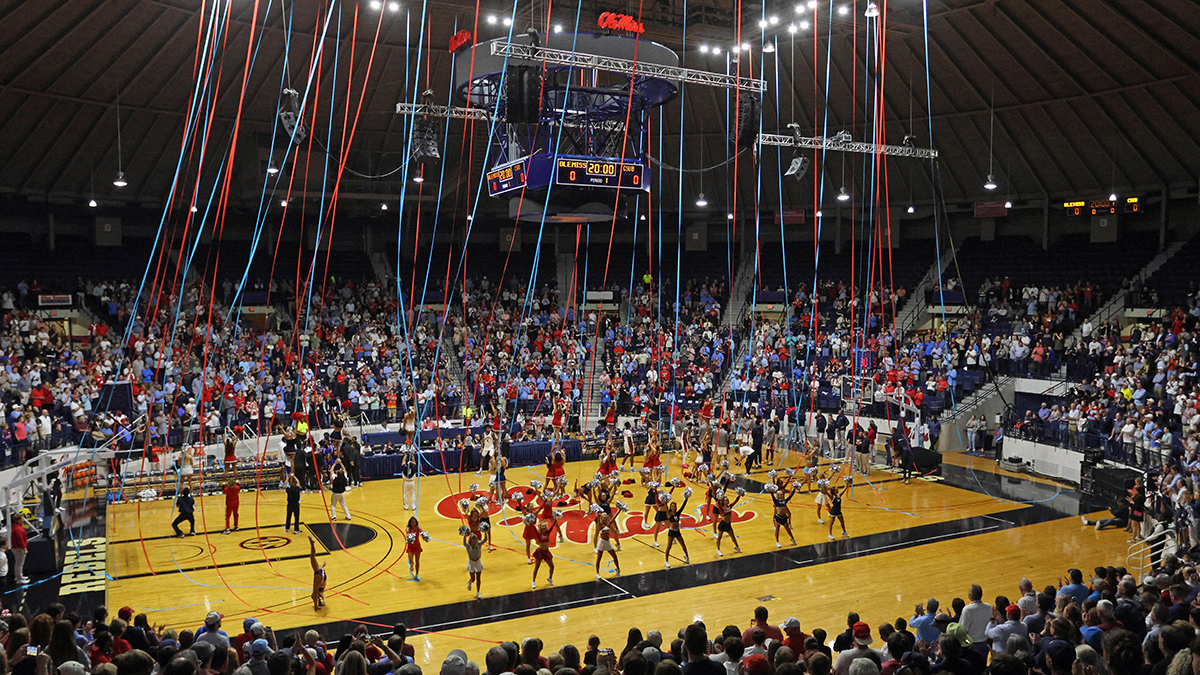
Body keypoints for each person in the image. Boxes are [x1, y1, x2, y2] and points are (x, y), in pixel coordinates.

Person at [531, 515, 563, 589]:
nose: (545, 527)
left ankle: (550, 578)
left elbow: (552, 526)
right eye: (543, 526)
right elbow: (533, 528)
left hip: (546, 552)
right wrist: (530, 522)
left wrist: (556, 519)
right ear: (540, 527)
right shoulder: (539, 534)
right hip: (540, 552)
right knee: (537, 567)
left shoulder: (547, 533)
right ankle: (533, 581)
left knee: (552, 566)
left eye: (545, 526)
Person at [663, 489, 691, 568]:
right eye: (672, 506)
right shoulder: (669, 513)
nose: (673, 507)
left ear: (676, 507)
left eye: (674, 506)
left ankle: (687, 556)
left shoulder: (678, 513)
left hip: (677, 531)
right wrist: (665, 500)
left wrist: (686, 498)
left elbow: (683, 506)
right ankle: (666, 561)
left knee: (683, 544)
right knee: (669, 546)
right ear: (670, 507)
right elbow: (665, 506)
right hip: (671, 532)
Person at [770, 475, 797, 548]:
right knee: (777, 530)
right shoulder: (776, 502)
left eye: (781, 495)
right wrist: (770, 491)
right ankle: (777, 541)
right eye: (779, 495)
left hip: (784, 517)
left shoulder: (785, 500)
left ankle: (792, 538)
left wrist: (794, 489)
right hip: (778, 517)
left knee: (788, 529)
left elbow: (791, 495)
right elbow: (772, 495)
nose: (780, 496)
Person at [714, 490, 742, 556]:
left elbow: (736, 501)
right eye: (726, 500)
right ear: (723, 502)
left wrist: (740, 495)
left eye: (727, 500)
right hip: (723, 524)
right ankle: (718, 550)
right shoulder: (721, 508)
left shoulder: (729, 506)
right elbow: (718, 503)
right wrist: (719, 498)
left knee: (733, 537)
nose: (727, 501)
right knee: (719, 538)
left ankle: (737, 547)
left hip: (728, 524)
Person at [593, 513, 620, 578]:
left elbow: (613, 518)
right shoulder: (599, 525)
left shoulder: (608, 524)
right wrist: (597, 514)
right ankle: (597, 573)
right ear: (601, 518)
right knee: (599, 559)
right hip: (601, 543)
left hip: (607, 543)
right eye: (603, 517)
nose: (605, 518)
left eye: (606, 517)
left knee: (615, 556)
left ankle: (618, 569)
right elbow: (598, 519)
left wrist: (619, 510)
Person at [404, 517, 425, 581]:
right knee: (411, 560)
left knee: (417, 561)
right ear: (410, 523)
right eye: (412, 522)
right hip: (410, 546)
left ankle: (417, 574)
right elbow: (408, 536)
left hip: (417, 546)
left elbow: (422, 533)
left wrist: (424, 535)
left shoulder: (418, 528)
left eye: (414, 522)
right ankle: (411, 565)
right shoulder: (408, 529)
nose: (413, 524)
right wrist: (407, 531)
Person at [464, 531, 484, 600]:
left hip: (478, 561)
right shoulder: (468, 546)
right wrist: (464, 535)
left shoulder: (478, 544)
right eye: (473, 541)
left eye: (476, 540)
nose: (475, 542)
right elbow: (464, 543)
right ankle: (469, 582)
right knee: (473, 579)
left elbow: (485, 540)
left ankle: (478, 592)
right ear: (470, 541)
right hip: (471, 562)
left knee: (478, 578)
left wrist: (485, 532)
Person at [308, 537, 326, 609]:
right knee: (312, 557)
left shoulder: (320, 591)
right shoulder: (320, 593)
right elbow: (322, 595)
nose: (312, 597)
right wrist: (324, 600)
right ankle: (316, 606)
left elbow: (320, 595)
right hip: (320, 574)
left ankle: (316, 606)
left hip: (321, 573)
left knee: (312, 557)